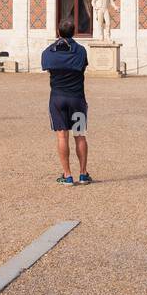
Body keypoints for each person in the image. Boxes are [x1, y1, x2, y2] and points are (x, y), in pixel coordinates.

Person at [41, 19, 90, 185]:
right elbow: (82, 66)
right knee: (79, 135)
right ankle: (83, 174)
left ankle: (68, 175)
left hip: (58, 98)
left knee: (62, 135)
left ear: (58, 32)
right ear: (74, 32)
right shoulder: (81, 51)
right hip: (77, 99)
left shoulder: (50, 52)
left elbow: (47, 65)